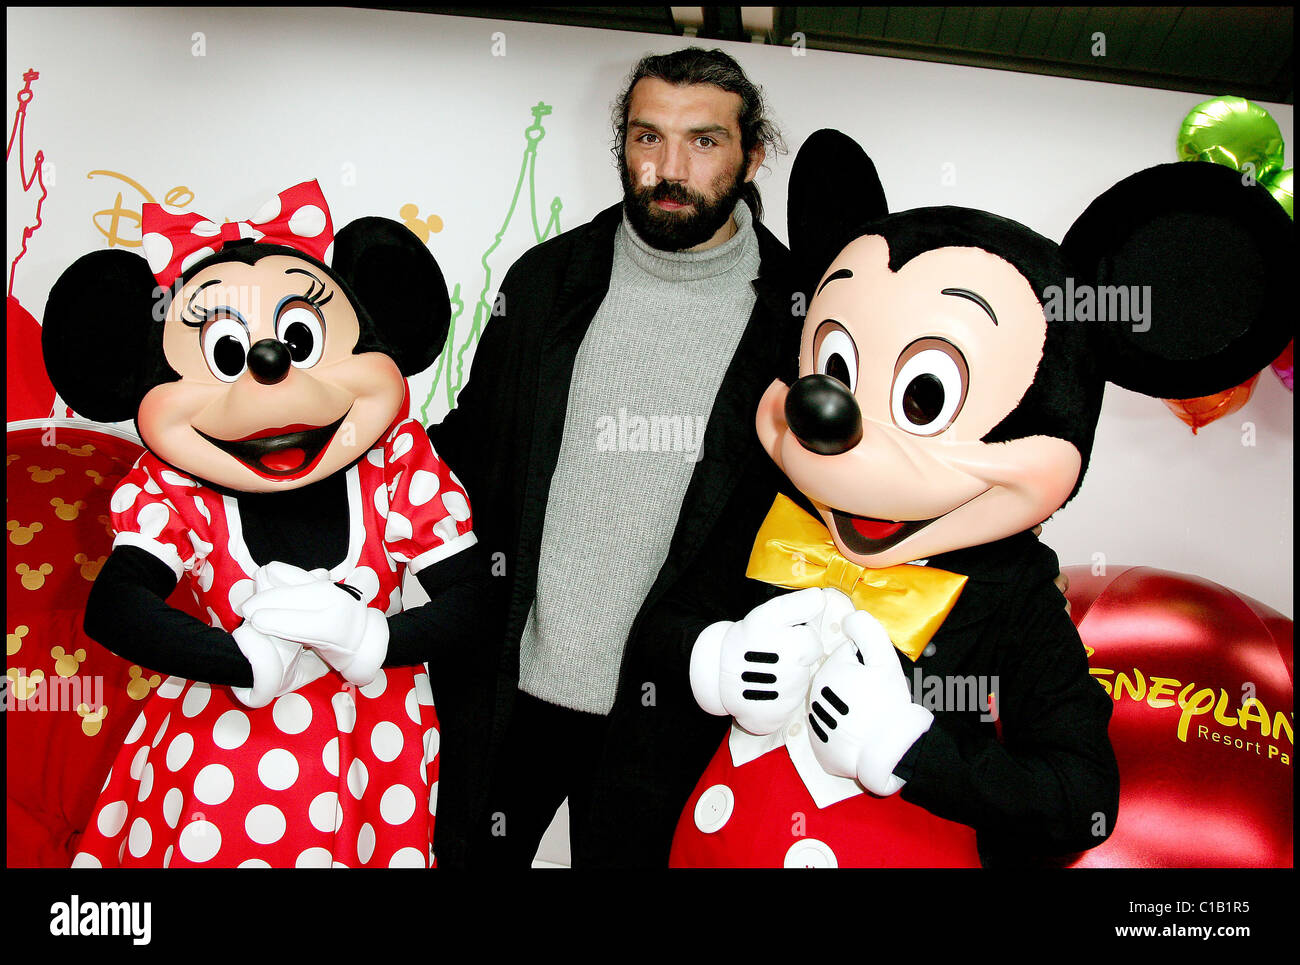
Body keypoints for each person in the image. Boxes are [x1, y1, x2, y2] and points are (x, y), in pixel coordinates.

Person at [427, 47, 802, 867]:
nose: (669, 168)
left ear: (752, 154)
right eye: (647, 137)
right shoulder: (544, 281)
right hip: (510, 682)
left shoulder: (799, 319)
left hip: (672, 709)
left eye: (704, 142)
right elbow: (466, 444)